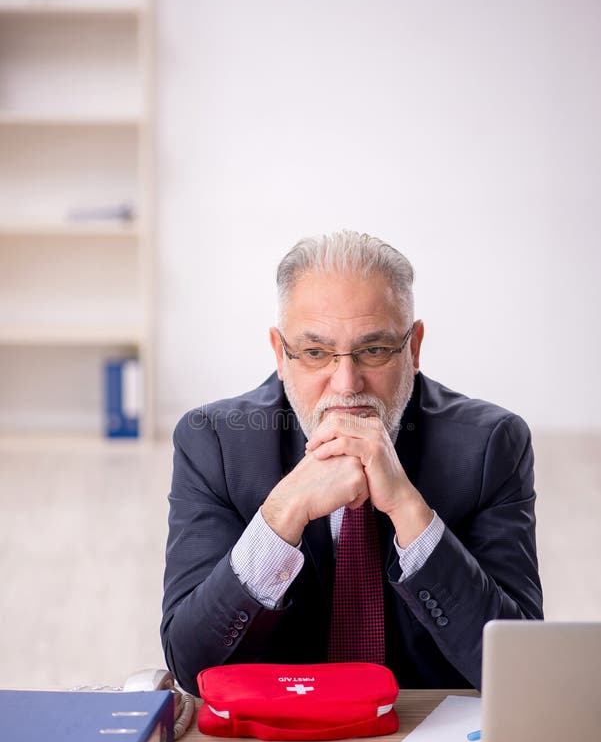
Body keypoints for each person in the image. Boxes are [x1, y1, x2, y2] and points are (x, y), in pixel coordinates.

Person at [161, 231, 543, 696]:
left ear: (414, 348)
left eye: (374, 350)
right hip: (282, 728)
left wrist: (411, 513)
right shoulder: (215, 442)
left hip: (425, 728)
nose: (346, 384)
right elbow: (191, 663)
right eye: (316, 353)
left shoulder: (489, 445)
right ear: (280, 353)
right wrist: (280, 516)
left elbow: (519, 670)